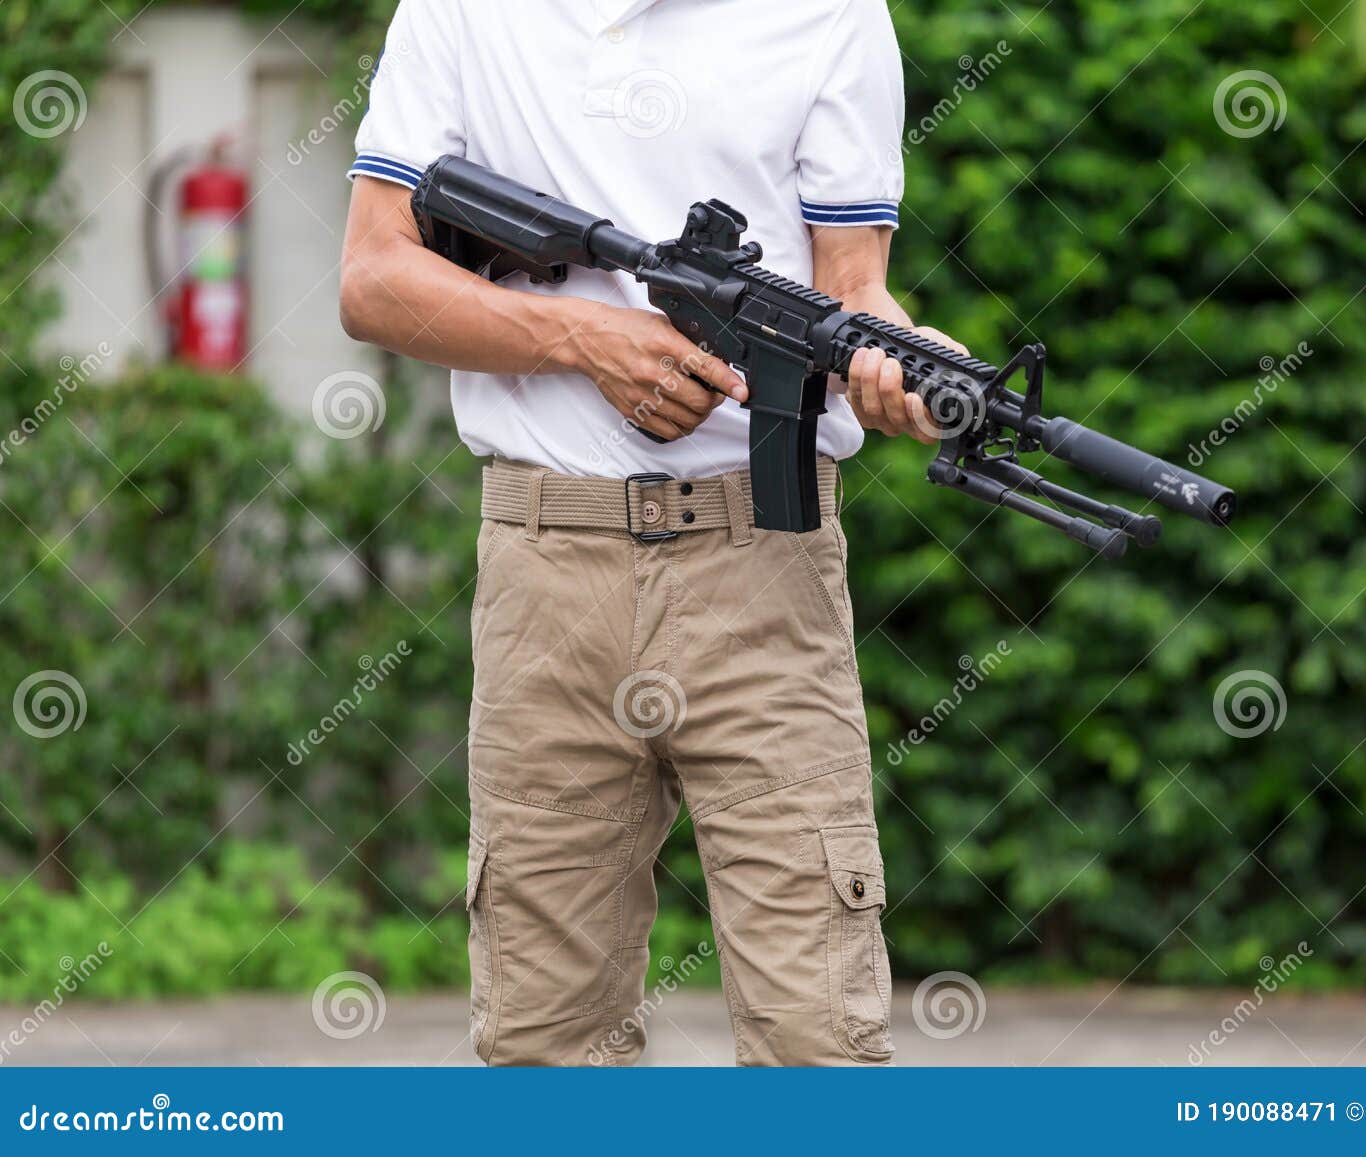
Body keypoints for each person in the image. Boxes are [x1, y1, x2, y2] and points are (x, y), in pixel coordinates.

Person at [339, 0, 961, 1066]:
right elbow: (373, 279)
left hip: (765, 564)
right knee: (546, 1046)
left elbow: (852, 288)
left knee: (819, 1040)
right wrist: (582, 336)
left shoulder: (832, 13)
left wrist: (906, 364)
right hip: (549, 564)